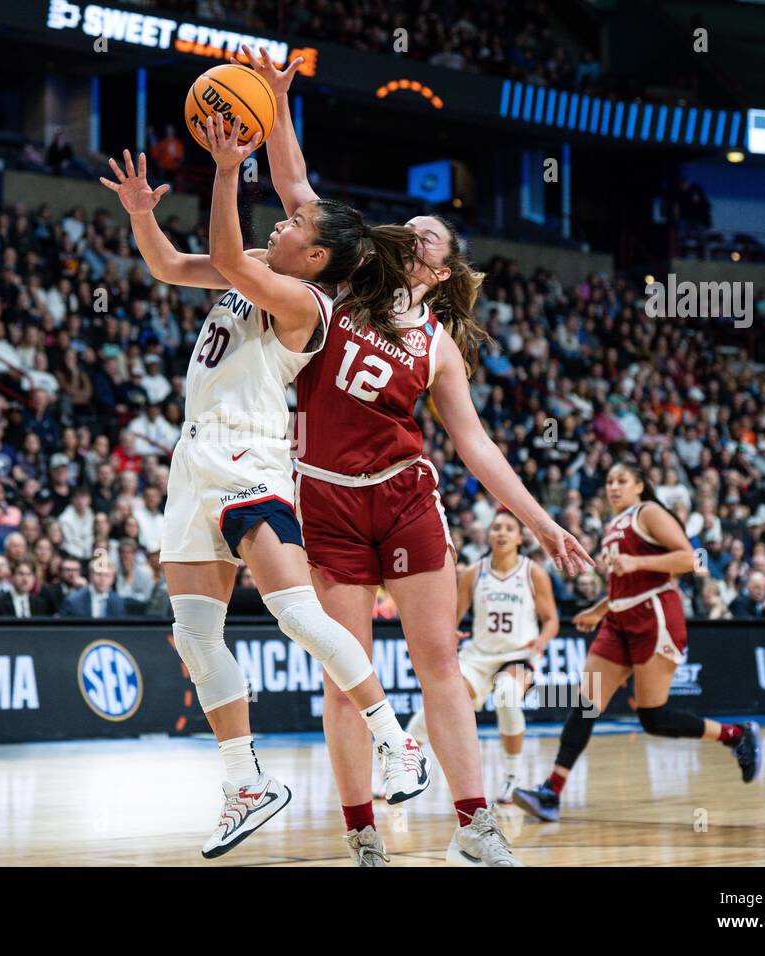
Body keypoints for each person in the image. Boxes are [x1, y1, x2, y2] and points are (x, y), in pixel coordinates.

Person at [250, 45, 588, 867]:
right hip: (323, 496)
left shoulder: (438, 346)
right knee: (344, 676)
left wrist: (540, 524)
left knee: (440, 662)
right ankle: (363, 832)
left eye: (428, 235)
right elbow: (299, 195)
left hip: (403, 496)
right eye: (414, 228)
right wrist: (275, 105)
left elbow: (476, 446)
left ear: (439, 271)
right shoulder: (354, 276)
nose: (414, 232)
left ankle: (475, 824)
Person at [100, 130, 431, 859]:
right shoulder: (252, 266)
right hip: (192, 455)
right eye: (283, 218)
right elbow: (167, 265)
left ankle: (395, 741)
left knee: (295, 611)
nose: (280, 223)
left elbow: (221, 257)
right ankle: (245, 781)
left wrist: (225, 174)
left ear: (316, 259)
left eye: (293, 225)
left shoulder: (307, 305)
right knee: (194, 634)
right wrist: (139, 214)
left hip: (250, 449)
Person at [513, 462, 762, 823]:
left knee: (653, 718)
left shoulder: (648, 512)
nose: (613, 486)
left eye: (622, 480)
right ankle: (551, 792)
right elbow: (622, 582)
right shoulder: (613, 526)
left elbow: (692, 558)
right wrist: (599, 610)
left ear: (639, 485)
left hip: (655, 616)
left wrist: (635, 562)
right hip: (618, 620)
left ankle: (736, 735)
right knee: (586, 702)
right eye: (609, 481)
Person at [406, 510, 559, 805]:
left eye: (508, 529)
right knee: (443, 702)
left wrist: (541, 640)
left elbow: (551, 619)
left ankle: (512, 776)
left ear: (518, 538)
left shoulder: (533, 572)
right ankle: (404, 764)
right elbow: (454, 614)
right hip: (478, 657)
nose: (501, 533)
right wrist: (449, 631)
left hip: (518, 656)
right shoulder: (475, 573)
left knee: (505, 694)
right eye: (496, 528)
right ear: (489, 535)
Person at [60, 554, 127, 619]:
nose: (102, 579)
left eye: (107, 575)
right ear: (90, 576)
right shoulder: (73, 600)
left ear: (113, 579)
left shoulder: (118, 602)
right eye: (99, 574)